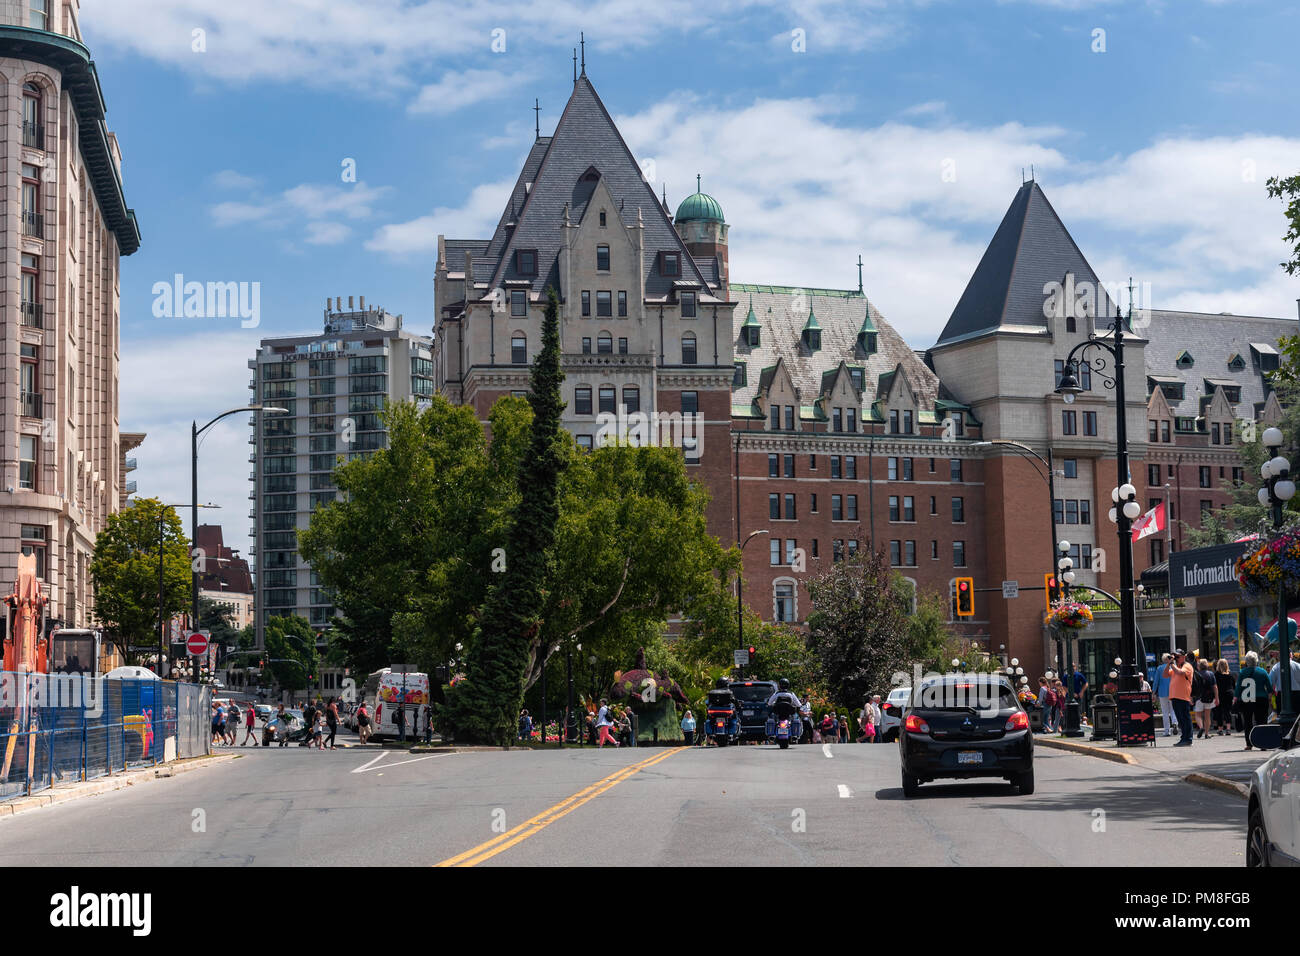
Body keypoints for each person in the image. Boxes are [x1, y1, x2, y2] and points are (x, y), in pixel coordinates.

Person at [1235, 651, 1272, 749]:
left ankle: (1249, 744)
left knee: (1248, 722)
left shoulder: (1242, 672)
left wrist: (1235, 698)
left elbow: (1238, 687)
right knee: (1262, 722)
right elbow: (1269, 687)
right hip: (1261, 699)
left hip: (1247, 699)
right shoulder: (1263, 672)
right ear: (1257, 661)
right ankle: (1263, 744)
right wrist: (1270, 698)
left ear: (1247, 662)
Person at [1164, 649, 1195, 746]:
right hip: (1175, 696)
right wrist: (1169, 664)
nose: (1176, 659)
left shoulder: (1187, 666)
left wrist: (1172, 663)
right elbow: (1165, 675)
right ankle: (1184, 738)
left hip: (1183, 696)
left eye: (1177, 656)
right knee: (1180, 719)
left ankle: (1188, 738)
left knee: (1185, 718)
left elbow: (1180, 673)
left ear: (1183, 656)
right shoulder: (1175, 667)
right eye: (1175, 657)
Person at [1192, 659, 1218, 738]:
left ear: (1199, 666)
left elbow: (1193, 687)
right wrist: (1217, 697)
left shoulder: (1196, 674)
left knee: (1198, 715)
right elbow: (1215, 686)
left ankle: (1201, 727)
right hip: (1209, 697)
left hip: (1199, 697)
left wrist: (1191, 696)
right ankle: (1206, 734)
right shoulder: (1211, 674)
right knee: (1207, 716)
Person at [1152, 654, 1175, 737]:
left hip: (1162, 692)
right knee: (1173, 710)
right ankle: (1175, 722)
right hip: (1172, 691)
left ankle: (1167, 730)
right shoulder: (1173, 667)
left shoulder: (1159, 668)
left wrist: (1153, 692)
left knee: (1165, 712)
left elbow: (1156, 681)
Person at [1213, 660, 1234, 735]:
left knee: (1219, 712)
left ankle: (1220, 729)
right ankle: (1228, 729)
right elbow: (1233, 685)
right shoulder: (1230, 674)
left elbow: (1214, 685)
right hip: (1229, 694)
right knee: (1227, 711)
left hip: (1220, 694)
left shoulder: (1216, 674)